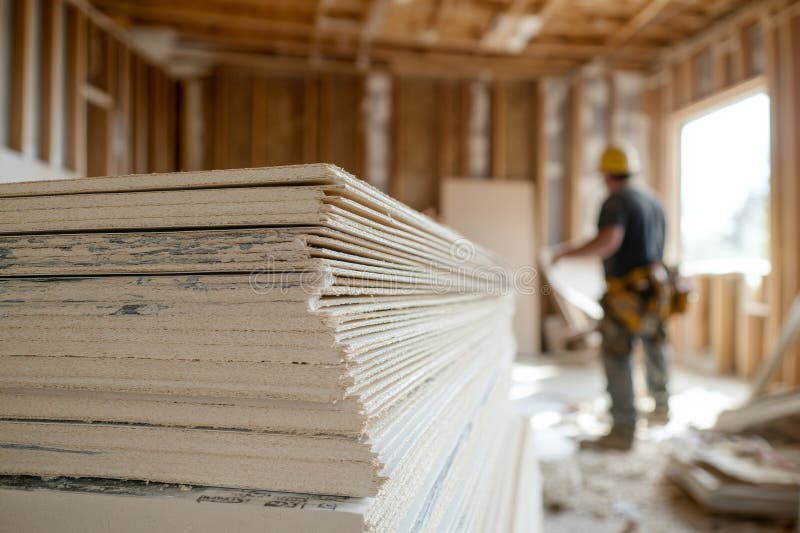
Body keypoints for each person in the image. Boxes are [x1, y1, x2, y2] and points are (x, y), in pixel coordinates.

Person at [553, 144, 670, 451]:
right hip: (655, 288)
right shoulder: (653, 200)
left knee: (617, 354)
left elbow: (609, 241)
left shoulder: (616, 200)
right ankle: (660, 408)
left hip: (627, 293)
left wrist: (567, 253)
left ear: (606, 174)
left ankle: (622, 429)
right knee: (654, 344)